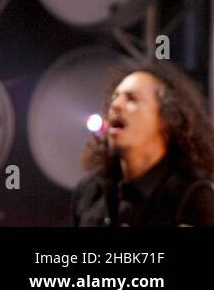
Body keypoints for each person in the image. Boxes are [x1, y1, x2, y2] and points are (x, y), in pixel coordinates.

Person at [71, 63, 214, 227]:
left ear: (167, 118)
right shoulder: (89, 191)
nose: (115, 105)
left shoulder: (192, 197)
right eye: (114, 97)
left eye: (132, 98)